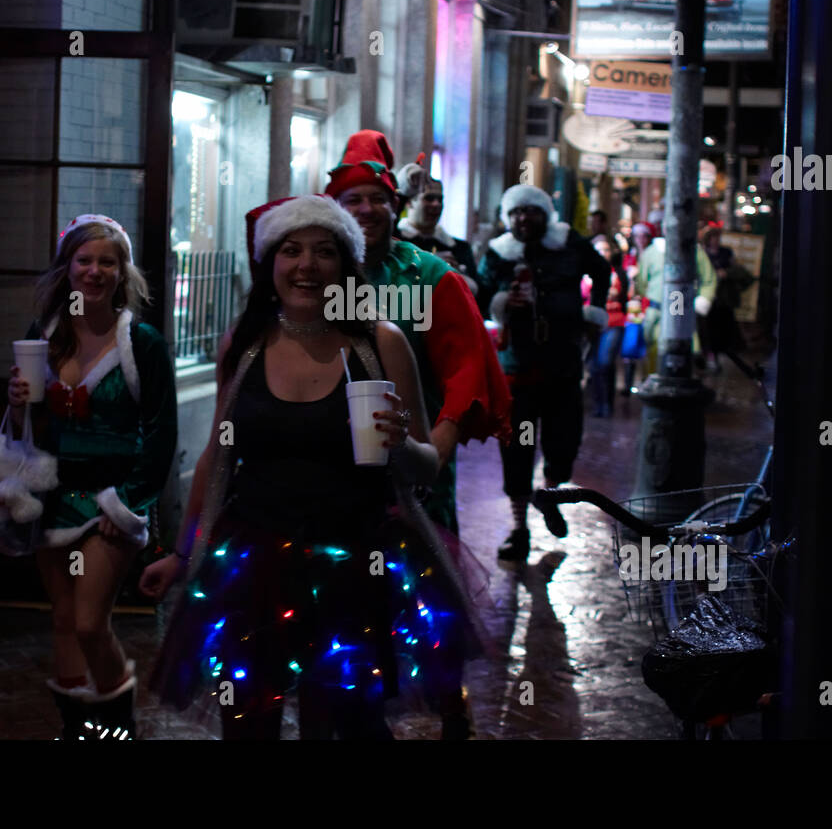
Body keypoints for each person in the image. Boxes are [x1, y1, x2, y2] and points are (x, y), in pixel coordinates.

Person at [142, 195, 482, 739]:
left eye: (324, 251)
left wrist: (400, 444)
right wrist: (182, 554)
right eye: (291, 250)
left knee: (345, 723)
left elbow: (424, 468)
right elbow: (216, 457)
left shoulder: (380, 344)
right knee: (248, 720)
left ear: (346, 265)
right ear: (269, 262)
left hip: (356, 565)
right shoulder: (245, 343)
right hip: (253, 565)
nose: (306, 265)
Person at [326, 130, 510, 738]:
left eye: (375, 198)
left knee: (432, 592)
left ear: (394, 204)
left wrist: (435, 452)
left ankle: (451, 706)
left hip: (416, 464)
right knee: (354, 593)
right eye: (351, 201)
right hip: (339, 473)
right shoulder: (318, 276)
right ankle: (366, 709)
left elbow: (466, 371)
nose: (365, 211)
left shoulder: (429, 276)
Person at [6, 214, 177, 739]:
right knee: (61, 621)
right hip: (53, 492)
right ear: (67, 268)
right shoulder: (46, 335)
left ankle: (117, 728)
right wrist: (18, 406)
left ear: (122, 271)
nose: (95, 271)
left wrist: (125, 504)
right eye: (85, 260)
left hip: (111, 499)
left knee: (88, 622)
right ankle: (78, 729)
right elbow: (27, 430)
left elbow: (161, 434)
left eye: (108, 261)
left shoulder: (142, 341)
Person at [478, 184, 611, 561]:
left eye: (531, 211)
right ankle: (518, 529)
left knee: (564, 443)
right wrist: (502, 302)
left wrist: (594, 312)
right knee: (518, 447)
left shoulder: (568, 243)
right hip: (519, 375)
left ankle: (549, 494)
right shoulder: (499, 252)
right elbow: (477, 293)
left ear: (544, 214)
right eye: (517, 212)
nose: (524, 218)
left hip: (563, 370)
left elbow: (602, 271)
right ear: (510, 217)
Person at [634, 225, 717, 376]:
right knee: (654, 352)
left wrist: (702, 300)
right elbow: (641, 282)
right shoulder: (651, 253)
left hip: (679, 307)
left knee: (681, 350)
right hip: (657, 310)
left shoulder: (694, 251)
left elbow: (708, 278)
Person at [394, 159, 480, 296]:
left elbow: (478, 299)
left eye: (440, 199)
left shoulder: (460, 248)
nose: (436, 204)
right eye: (429, 198)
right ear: (409, 203)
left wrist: (458, 275)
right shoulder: (396, 241)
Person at [700, 224, 754, 370]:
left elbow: (738, 270)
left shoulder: (726, 253)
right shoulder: (703, 253)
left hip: (724, 298)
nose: (715, 240)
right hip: (709, 297)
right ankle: (712, 356)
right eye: (712, 237)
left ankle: (725, 353)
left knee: (725, 327)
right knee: (709, 329)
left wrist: (726, 273)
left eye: (717, 237)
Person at [589, 236, 631, 417]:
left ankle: (607, 403)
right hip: (591, 323)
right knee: (594, 366)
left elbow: (626, 297)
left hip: (614, 322)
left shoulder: (619, 273)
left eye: (606, 250)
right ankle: (599, 403)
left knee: (605, 362)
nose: (603, 253)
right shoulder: (585, 273)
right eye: (599, 250)